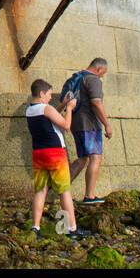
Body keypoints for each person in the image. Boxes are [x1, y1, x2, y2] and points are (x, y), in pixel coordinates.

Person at [26, 78, 87, 239]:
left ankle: (35, 227)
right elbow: (65, 125)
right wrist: (69, 108)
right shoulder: (46, 108)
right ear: (41, 93)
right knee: (64, 191)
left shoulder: (30, 110)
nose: (50, 98)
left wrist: (62, 105)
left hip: (39, 153)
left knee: (40, 190)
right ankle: (71, 229)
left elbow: (50, 117)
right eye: (48, 95)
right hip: (55, 153)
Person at [66, 58, 113, 205]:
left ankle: (61, 191)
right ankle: (89, 196)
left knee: (82, 159)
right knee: (95, 158)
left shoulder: (75, 78)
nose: (102, 76)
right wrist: (107, 124)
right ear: (98, 69)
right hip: (90, 124)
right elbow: (96, 102)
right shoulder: (93, 80)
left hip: (75, 123)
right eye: (102, 73)